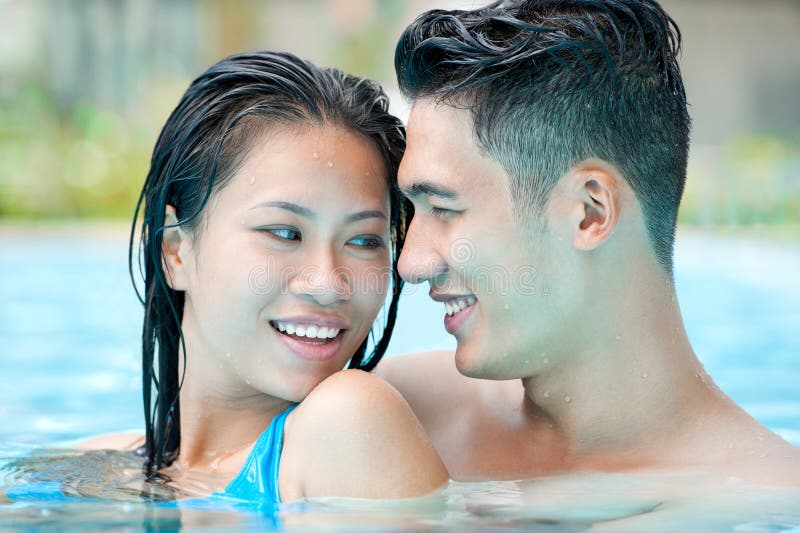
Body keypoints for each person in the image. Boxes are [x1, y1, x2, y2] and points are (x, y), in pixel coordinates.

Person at [378, 0, 800, 486]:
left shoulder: (763, 499)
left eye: (444, 208)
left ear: (589, 212)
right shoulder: (395, 419)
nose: (409, 263)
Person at [78, 51, 447, 502]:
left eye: (364, 240)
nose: (327, 284)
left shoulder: (347, 423)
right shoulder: (99, 466)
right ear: (175, 251)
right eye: (284, 233)